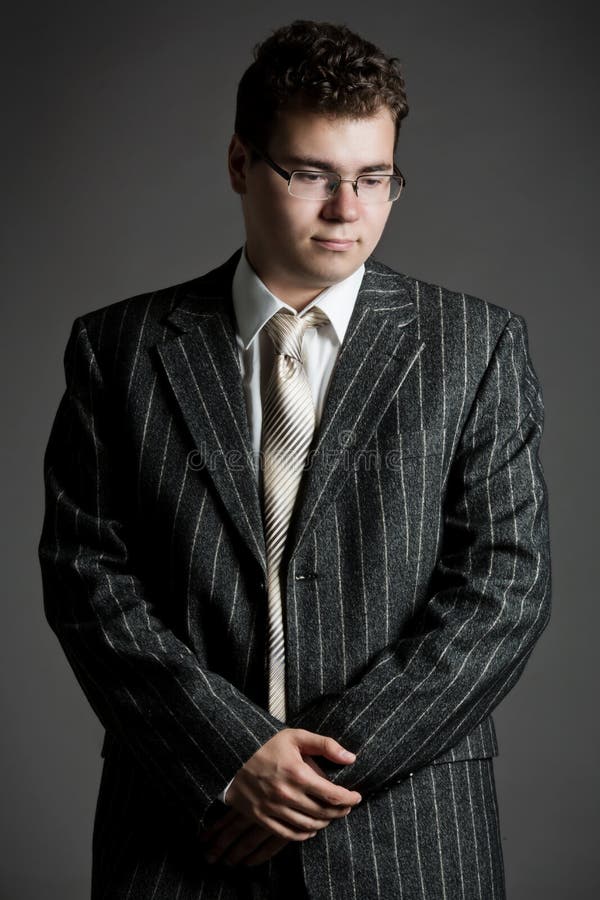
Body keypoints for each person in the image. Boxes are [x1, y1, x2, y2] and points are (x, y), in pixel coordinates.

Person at [38, 18, 551, 900]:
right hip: (183, 829)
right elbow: (88, 578)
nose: (348, 210)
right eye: (311, 173)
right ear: (241, 163)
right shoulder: (116, 348)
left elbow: (504, 588)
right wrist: (232, 755)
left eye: (375, 178)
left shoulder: (476, 344)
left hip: (407, 832)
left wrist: (311, 777)